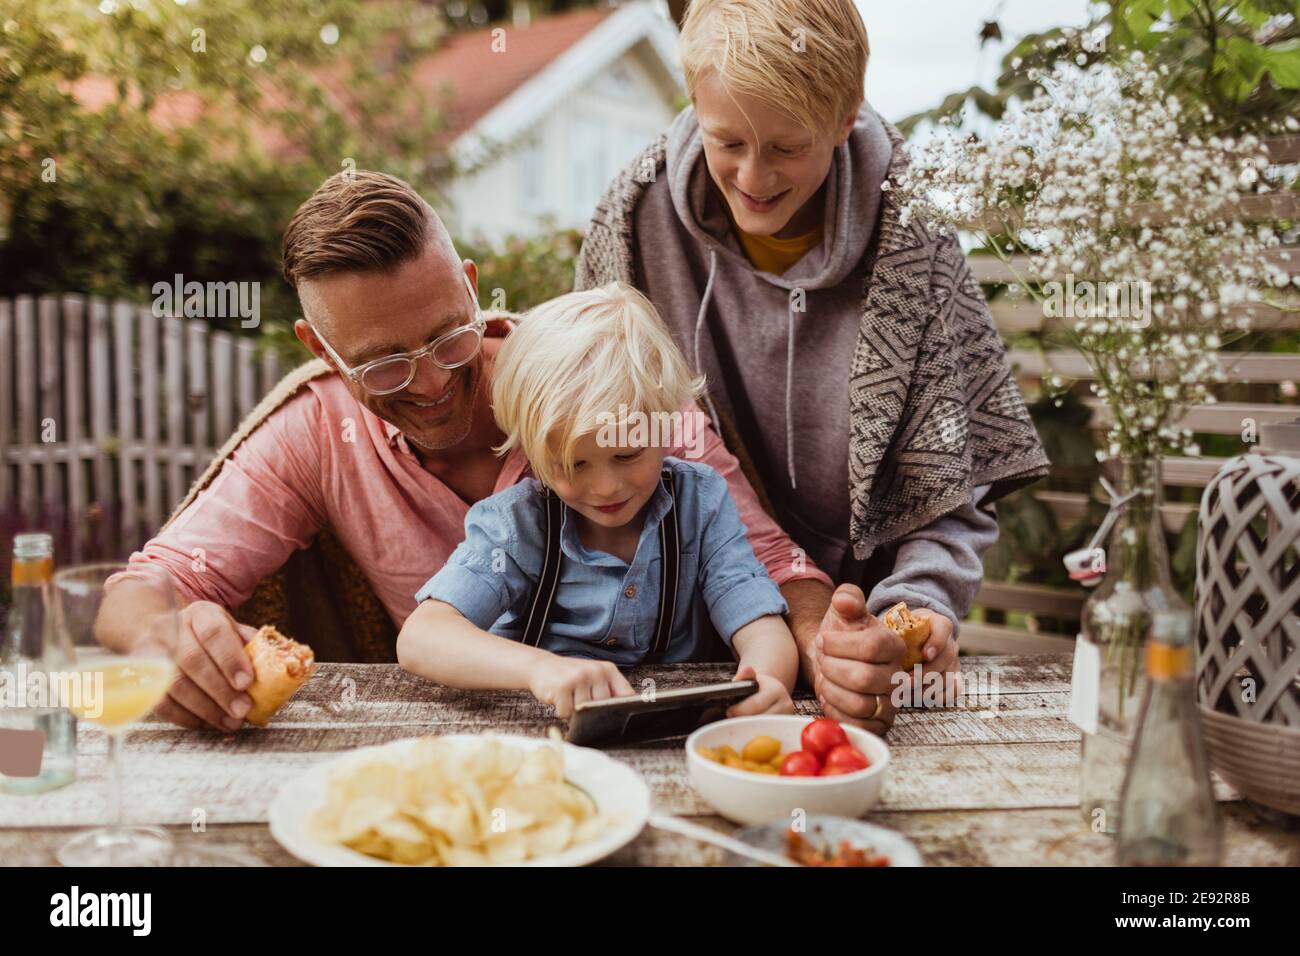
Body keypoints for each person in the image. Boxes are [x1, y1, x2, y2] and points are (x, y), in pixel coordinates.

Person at [97, 170, 838, 733]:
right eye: (383, 364)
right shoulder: (314, 433)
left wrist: (822, 654)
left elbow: (769, 565)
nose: (430, 384)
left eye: (449, 337)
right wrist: (167, 639)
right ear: (321, 351)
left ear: (472, 290)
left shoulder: (601, 383)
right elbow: (151, 584)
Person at [575, 0, 1049, 731]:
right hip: (687, 650)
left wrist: (914, 614)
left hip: (858, 657)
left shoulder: (912, 238)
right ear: (692, 102)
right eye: (727, 141)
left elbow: (951, 488)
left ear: (844, 117)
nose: (753, 176)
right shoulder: (633, 221)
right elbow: (594, 432)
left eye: (787, 147)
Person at [398, 283, 798, 718]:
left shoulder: (700, 504)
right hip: (538, 730)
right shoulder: (516, 524)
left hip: (674, 731)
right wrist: (540, 669)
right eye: (572, 464)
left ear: (666, 425)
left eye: (627, 455)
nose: (605, 487)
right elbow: (422, 638)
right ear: (531, 452)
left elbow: (756, 617)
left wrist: (767, 679)